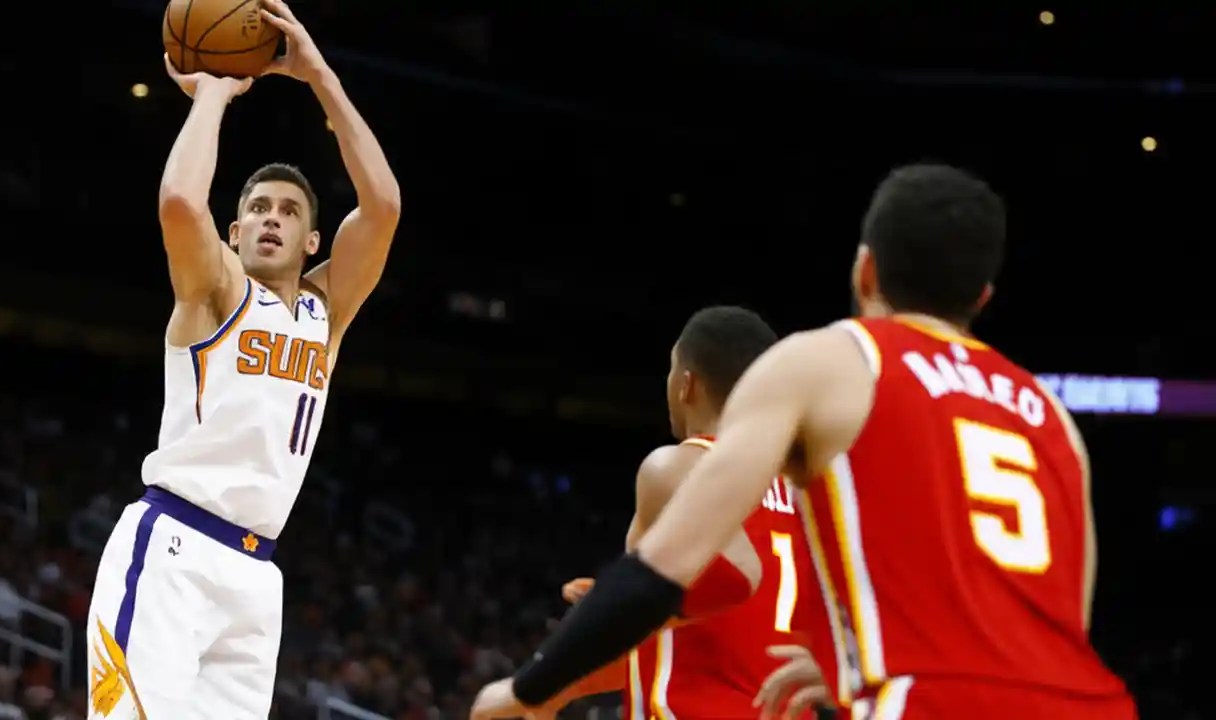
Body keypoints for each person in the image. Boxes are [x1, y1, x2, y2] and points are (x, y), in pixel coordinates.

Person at [470, 164, 1137, 720]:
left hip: (927, 701)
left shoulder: (837, 358)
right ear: (983, 296)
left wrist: (528, 689)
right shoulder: (1050, 415)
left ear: (866, 271)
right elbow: (1057, 620)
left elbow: (666, 570)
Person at [85, 1, 401, 717]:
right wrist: (214, 93)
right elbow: (178, 202)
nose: (271, 219)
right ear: (233, 231)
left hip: (256, 577)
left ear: (312, 242)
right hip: (174, 549)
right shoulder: (216, 290)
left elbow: (383, 206)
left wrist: (319, 75)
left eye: (289, 211)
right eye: (258, 208)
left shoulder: (327, 312)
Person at [536, 307, 841, 720]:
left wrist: (618, 607)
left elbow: (728, 586)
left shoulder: (680, 468)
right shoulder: (810, 496)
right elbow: (714, 645)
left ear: (686, 385)